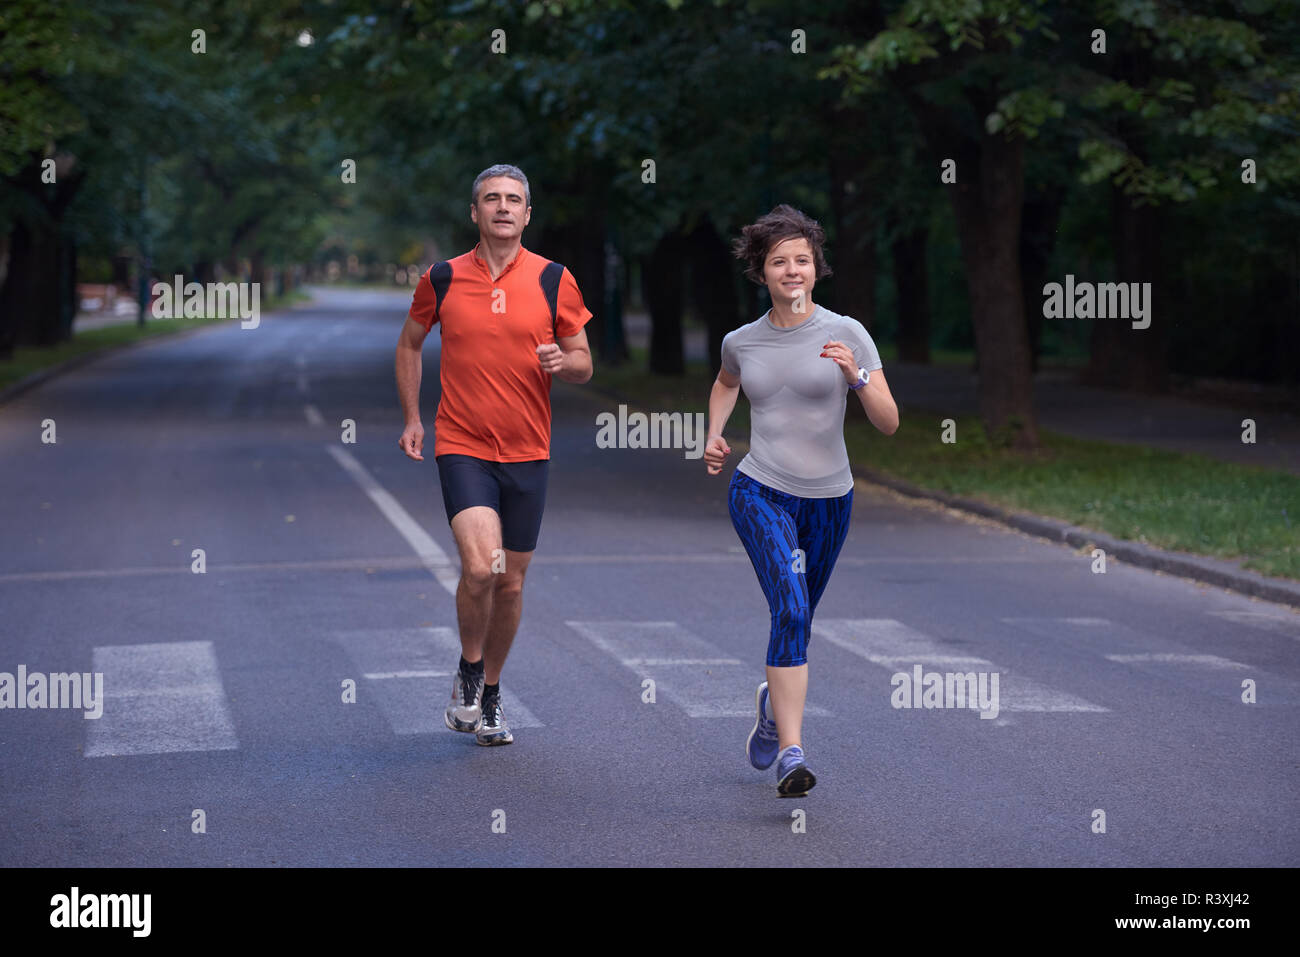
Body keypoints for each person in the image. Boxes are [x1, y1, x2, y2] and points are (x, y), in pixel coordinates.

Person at [703, 204, 899, 795]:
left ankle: (771, 707)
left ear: (816, 268)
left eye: (803, 260)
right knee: (789, 609)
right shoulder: (742, 340)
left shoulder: (848, 333)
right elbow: (726, 381)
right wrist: (714, 434)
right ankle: (792, 752)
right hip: (761, 489)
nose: (792, 271)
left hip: (830, 501)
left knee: (799, 620)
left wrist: (858, 377)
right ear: (761, 272)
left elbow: (888, 424)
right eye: (779, 262)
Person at [395, 164, 593, 746]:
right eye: (491, 199)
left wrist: (566, 363)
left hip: (529, 452)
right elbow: (410, 344)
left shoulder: (556, 280)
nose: (503, 208)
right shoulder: (443, 278)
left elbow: (584, 361)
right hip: (464, 445)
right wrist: (412, 417)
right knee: (482, 567)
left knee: (509, 585)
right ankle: (469, 666)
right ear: (475, 213)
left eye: (513, 200)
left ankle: (492, 692)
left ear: (528, 214)